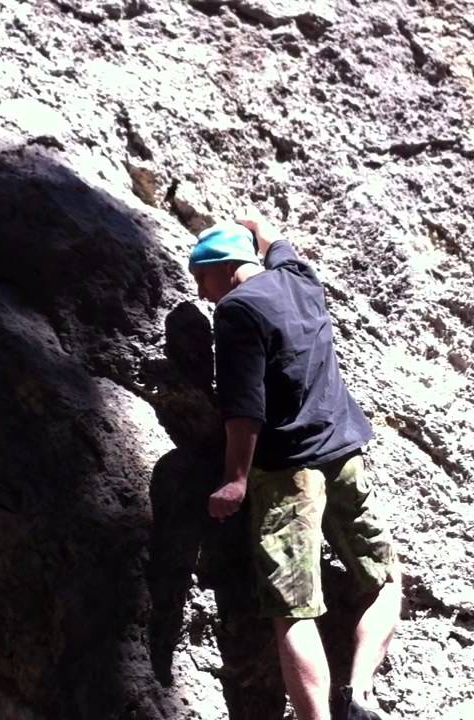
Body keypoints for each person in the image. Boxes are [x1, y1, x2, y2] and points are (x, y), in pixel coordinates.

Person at [189, 211, 402, 720]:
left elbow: (244, 406)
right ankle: (360, 696)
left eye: (201, 276)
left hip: (287, 472)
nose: (202, 293)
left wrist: (236, 481)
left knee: (293, 609)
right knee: (386, 582)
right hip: (342, 454)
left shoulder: (237, 311)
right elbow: (268, 231)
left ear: (223, 267)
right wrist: (248, 224)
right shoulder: (300, 277)